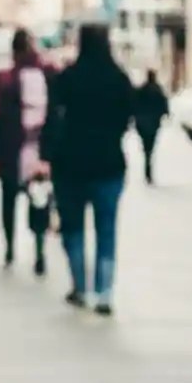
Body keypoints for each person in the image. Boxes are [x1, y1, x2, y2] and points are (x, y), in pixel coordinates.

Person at [42, 23, 134, 315]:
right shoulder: (119, 78)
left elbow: (52, 120)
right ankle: (105, 291)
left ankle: (81, 287)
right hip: (109, 162)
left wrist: (47, 155)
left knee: (74, 227)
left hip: (70, 163)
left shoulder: (67, 78)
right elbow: (125, 119)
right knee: (106, 229)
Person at [0, 28, 55, 274]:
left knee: (8, 202)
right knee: (39, 200)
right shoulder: (49, 74)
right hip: (40, 150)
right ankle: (39, 250)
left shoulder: (1, 80)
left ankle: (10, 249)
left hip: (10, 151)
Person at [133, 70, 170, 184]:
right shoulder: (158, 90)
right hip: (153, 123)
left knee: (146, 147)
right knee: (150, 147)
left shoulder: (141, 90)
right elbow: (164, 105)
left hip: (143, 123)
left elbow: (134, 104)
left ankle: (147, 166)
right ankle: (148, 168)